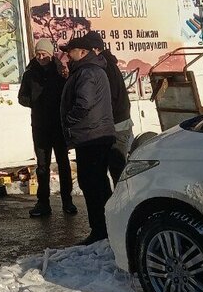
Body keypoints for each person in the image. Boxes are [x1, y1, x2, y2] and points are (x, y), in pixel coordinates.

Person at [60, 36, 117, 246]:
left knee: (92, 183)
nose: (67, 54)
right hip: (93, 134)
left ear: (82, 52)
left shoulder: (87, 72)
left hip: (91, 135)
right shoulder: (89, 69)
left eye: (71, 50)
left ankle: (101, 230)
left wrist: (69, 120)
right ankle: (105, 228)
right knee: (97, 183)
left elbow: (84, 103)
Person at [18, 39, 77, 217]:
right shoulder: (29, 74)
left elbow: (68, 95)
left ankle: (67, 200)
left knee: (63, 163)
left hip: (58, 125)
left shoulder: (60, 71)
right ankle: (43, 202)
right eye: (38, 54)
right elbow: (22, 97)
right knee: (42, 166)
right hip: (40, 125)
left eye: (44, 54)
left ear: (51, 55)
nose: (41, 57)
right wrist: (35, 102)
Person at [83, 31, 134, 187]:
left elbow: (108, 98)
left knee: (117, 169)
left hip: (116, 125)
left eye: (87, 50)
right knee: (115, 168)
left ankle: (124, 206)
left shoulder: (104, 67)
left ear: (95, 49)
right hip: (116, 123)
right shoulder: (106, 64)